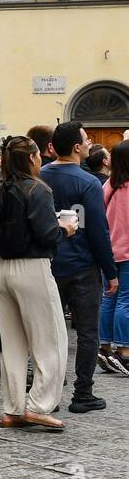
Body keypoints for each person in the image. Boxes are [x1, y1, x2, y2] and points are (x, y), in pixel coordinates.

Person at [0, 136, 77, 431]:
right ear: (33, 158)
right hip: (31, 267)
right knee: (51, 341)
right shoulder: (38, 189)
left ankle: (13, 408)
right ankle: (39, 405)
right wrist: (65, 228)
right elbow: (47, 235)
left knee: (13, 343)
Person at [41, 121, 117, 413]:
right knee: (87, 332)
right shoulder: (88, 182)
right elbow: (98, 230)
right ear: (76, 147)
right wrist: (110, 271)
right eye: (86, 141)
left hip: (48, 263)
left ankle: (48, 393)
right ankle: (82, 393)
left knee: (49, 331)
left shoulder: (41, 176)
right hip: (83, 266)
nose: (88, 145)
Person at [100, 140, 129, 375]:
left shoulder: (108, 185)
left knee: (108, 298)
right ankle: (124, 349)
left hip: (109, 250)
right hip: (128, 251)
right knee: (126, 300)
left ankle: (104, 345)